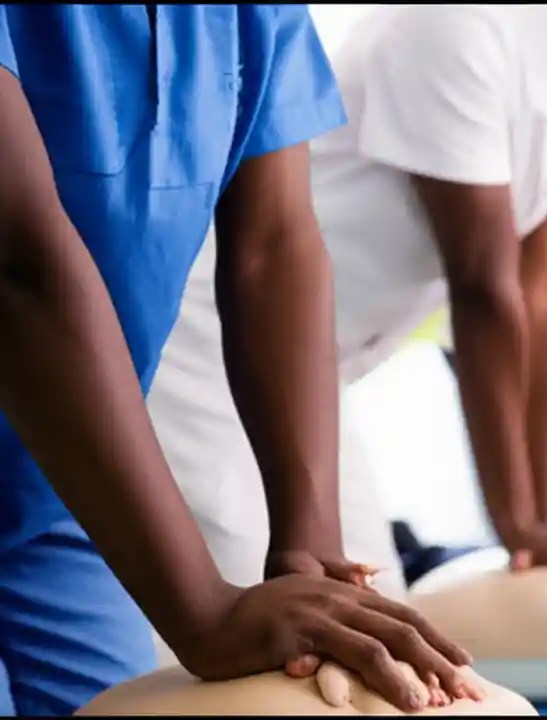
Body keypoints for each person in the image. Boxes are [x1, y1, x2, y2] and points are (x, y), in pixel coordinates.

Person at [143, 3, 547, 610]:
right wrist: (519, 523)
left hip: (309, 372)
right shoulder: (460, 26)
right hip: (208, 341)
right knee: (267, 602)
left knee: (375, 600)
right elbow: (484, 287)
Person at [0, 5, 476, 715]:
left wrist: (311, 549)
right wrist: (207, 612)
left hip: (53, 494)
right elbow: (19, 262)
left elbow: (274, 244)